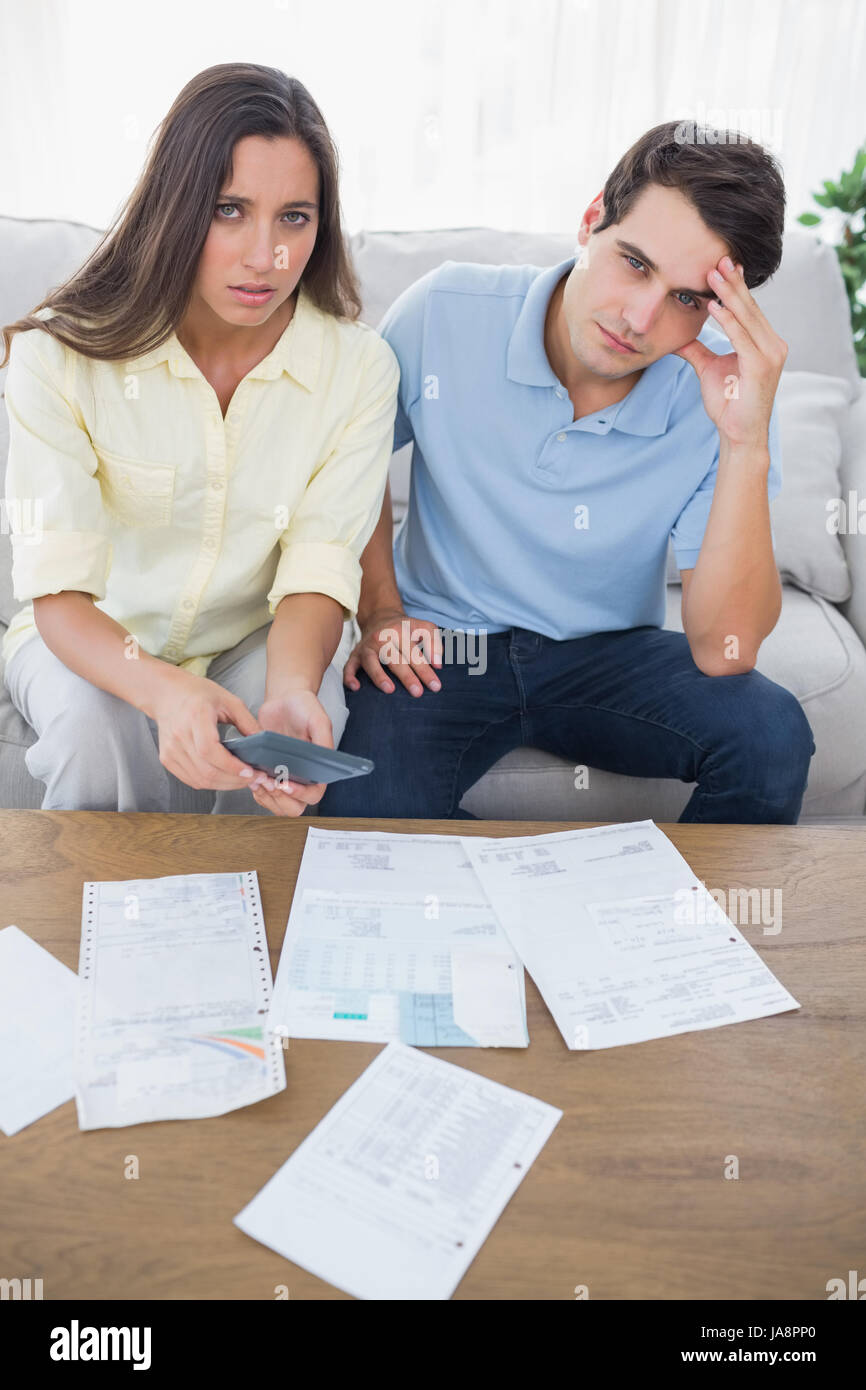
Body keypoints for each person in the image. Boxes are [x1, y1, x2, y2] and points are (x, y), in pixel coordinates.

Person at [319, 120, 816, 823]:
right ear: (590, 221)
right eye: (635, 263)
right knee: (365, 819)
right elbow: (350, 469)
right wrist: (381, 612)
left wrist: (745, 441)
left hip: (607, 655)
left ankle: (680, 926)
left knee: (770, 734)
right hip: (445, 646)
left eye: (686, 299)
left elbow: (723, 650)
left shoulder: (719, 398)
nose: (639, 318)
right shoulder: (442, 311)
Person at [1, 63, 398, 817]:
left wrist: (289, 690)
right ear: (177, 207)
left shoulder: (359, 368)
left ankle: (254, 924)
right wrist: (166, 691)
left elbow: (318, 568)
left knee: (304, 724)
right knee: (97, 728)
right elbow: (60, 594)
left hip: (252, 638)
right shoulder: (58, 358)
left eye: (294, 218)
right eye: (229, 210)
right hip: (92, 636)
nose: (266, 257)